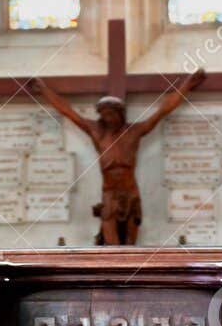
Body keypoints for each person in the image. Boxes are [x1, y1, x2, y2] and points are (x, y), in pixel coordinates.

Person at [29, 68, 207, 245]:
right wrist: (44, 90)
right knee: (111, 246)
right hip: (109, 194)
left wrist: (187, 85)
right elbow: (67, 111)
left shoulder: (134, 132)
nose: (108, 119)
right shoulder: (97, 132)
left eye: (111, 114)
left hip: (131, 193)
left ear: (120, 114)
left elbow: (163, 111)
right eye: (104, 115)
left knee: (130, 246)